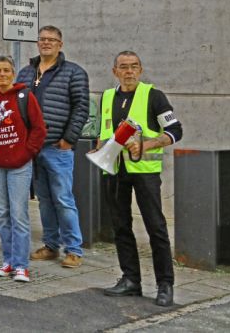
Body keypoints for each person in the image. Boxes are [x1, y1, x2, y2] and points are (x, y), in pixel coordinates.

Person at [95, 51, 183, 307]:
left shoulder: (153, 95)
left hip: (144, 171)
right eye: (124, 67)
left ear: (141, 69)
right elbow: (105, 130)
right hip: (113, 169)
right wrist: (99, 148)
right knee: (121, 226)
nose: (129, 72)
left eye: (134, 67)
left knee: (155, 227)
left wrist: (148, 143)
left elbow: (175, 130)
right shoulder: (108, 96)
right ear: (115, 71)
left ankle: (165, 284)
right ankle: (131, 279)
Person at [15, 25, 89, 269]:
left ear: (61, 44)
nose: (46, 43)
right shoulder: (26, 73)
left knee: (63, 199)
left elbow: (81, 108)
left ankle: (74, 249)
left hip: (57, 147)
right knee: (44, 200)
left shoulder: (74, 73)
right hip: (32, 148)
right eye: (42, 39)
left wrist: (69, 139)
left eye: (51, 39)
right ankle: (50, 245)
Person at [0, 55, 46, 282]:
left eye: (6, 70)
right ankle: (7, 261)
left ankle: (21, 265)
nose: (2, 75)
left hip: (19, 166)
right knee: (3, 215)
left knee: (19, 215)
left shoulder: (26, 96)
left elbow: (39, 129)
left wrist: (26, 153)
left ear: (13, 73)